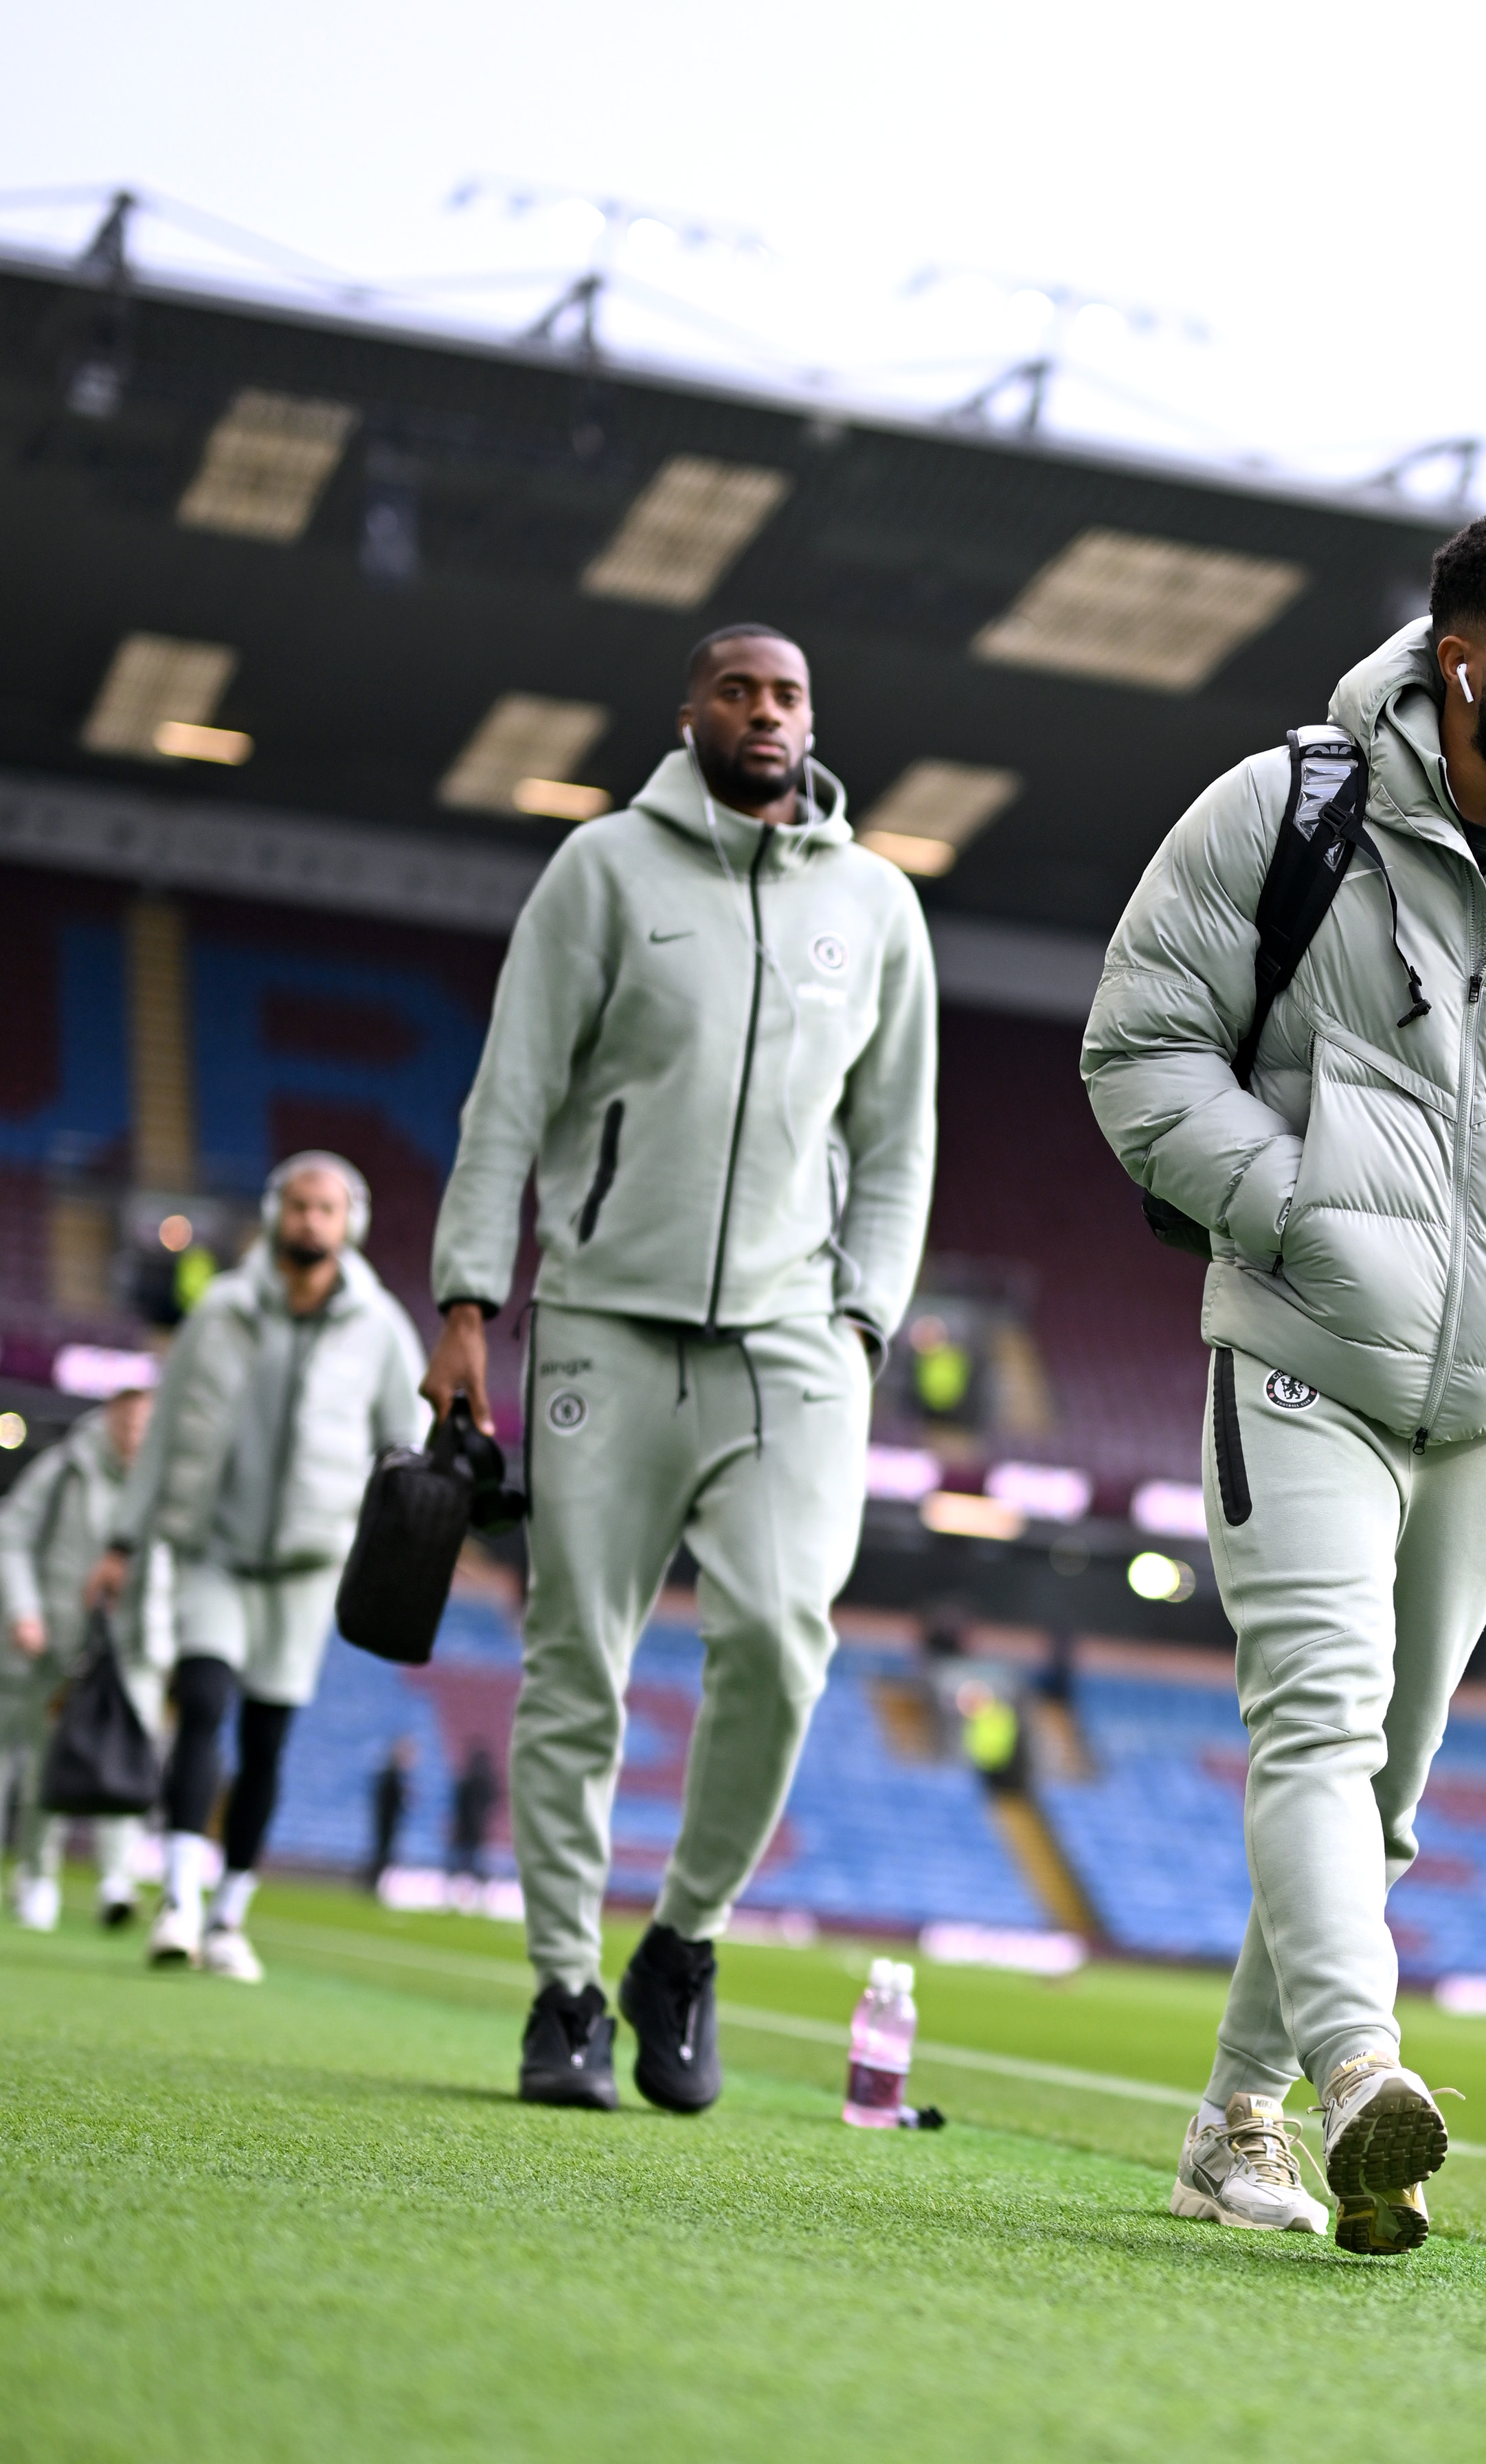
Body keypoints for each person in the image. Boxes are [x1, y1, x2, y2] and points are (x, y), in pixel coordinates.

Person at [1083, 511, 1486, 2254]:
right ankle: (1365, 2071)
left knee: (1390, 1777)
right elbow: (1137, 1048)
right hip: (1300, 1349)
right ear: (1463, 657)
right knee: (1316, 1713)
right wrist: (1297, 1213)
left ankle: (1238, 2122)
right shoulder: (1285, 810)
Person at [423, 623, 936, 2112]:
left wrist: (861, 1322)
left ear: (811, 721)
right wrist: (468, 1298)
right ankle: (566, 1993)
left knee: (783, 1639)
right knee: (578, 1658)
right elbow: (507, 1098)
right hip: (600, 1320)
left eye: (786, 694)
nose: (764, 713)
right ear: (692, 713)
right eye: (738, 691)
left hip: (794, 1342)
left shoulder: (876, 906)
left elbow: (896, 1144)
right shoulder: (603, 871)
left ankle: (683, 1945)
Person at [87, 1153, 427, 1978]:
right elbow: (165, 1432)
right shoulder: (222, 1310)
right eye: (300, 1205)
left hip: (308, 1566)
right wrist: (125, 1540)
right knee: (200, 1702)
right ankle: (178, 1899)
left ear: (352, 1224)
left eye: (328, 1209)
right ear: (276, 1213)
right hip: (215, 1550)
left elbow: (404, 1448)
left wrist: (400, 1553)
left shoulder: (380, 1328)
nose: (312, 1221)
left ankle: (230, 1914)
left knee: (267, 1739)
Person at [0, 1379, 172, 1929]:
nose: (134, 1433)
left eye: (145, 1423)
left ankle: (116, 1881)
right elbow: (12, 1537)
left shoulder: (170, 1479)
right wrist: (25, 1610)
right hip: (63, 1640)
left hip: (137, 1646)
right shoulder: (66, 1468)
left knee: (128, 1762)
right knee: (47, 1761)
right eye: (126, 1420)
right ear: (109, 1416)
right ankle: (36, 1877)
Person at [366, 1735, 415, 1888]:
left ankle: (375, 1884)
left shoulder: (392, 1776)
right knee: (383, 1854)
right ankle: (374, 1884)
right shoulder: (393, 1777)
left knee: (383, 1853)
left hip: (386, 1822)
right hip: (387, 1822)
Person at [448, 1743, 499, 1881]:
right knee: (475, 1861)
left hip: (466, 1827)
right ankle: (477, 1889)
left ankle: (453, 1886)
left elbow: (457, 1804)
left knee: (461, 1860)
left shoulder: (466, 1781)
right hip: (477, 1827)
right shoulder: (487, 1781)